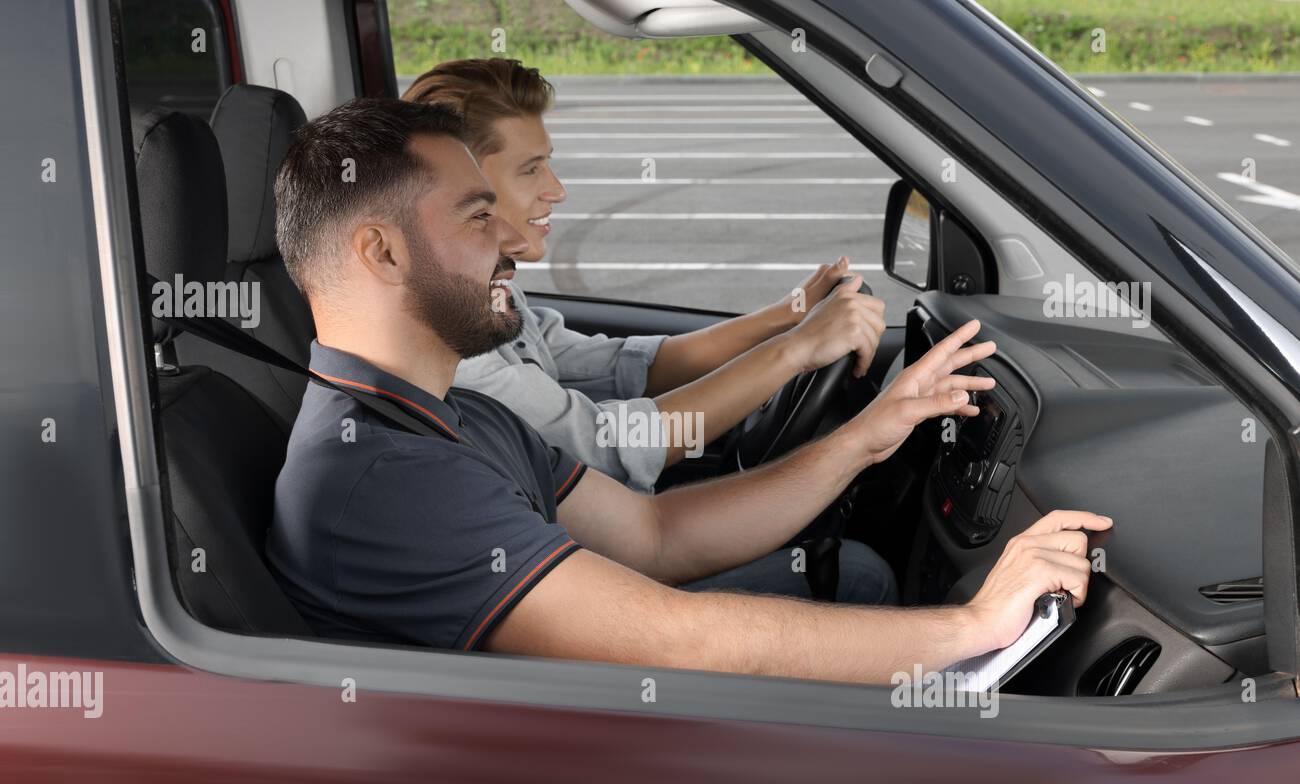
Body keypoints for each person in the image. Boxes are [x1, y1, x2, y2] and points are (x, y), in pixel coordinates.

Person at [265, 96, 1111, 685]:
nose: (511, 246)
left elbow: (656, 533)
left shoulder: (456, 413)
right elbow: (678, 639)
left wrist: (866, 436)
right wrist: (973, 627)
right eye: (478, 218)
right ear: (382, 253)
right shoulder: (381, 476)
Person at [403, 57, 897, 603]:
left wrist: (786, 317)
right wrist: (794, 352)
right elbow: (606, 446)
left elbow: (623, 367)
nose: (557, 190)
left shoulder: (494, 292)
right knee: (859, 575)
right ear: (464, 185)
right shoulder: (455, 347)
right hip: (569, 575)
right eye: (531, 169)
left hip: (591, 541)